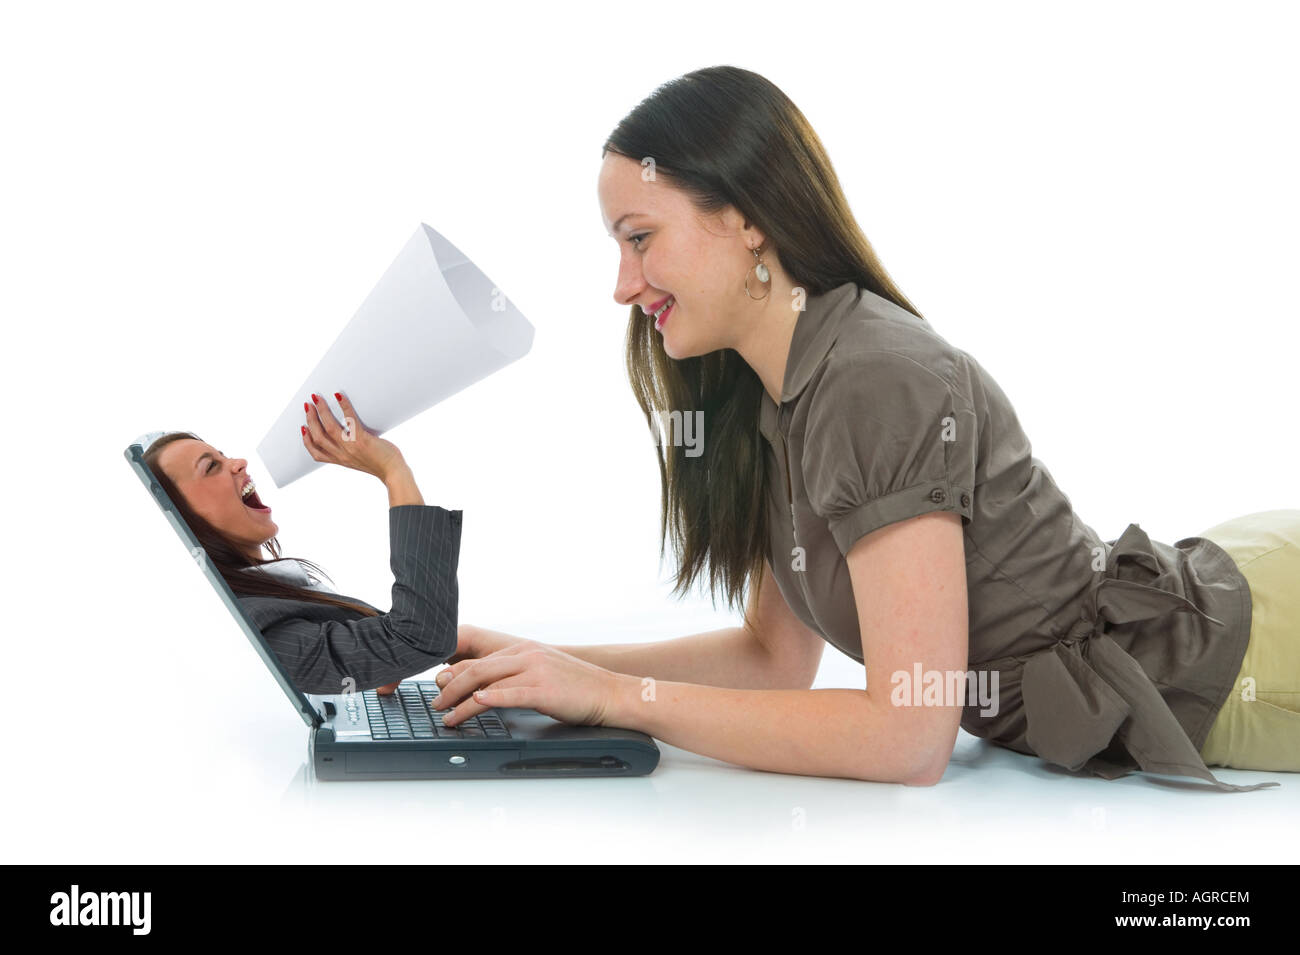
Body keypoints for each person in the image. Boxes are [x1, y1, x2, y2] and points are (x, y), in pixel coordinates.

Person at [430, 65, 1298, 791]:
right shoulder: (772, 390)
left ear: (746, 220)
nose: (622, 284)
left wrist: (618, 700)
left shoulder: (872, 377)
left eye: (640, 237)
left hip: (1251, 644)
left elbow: (907, 736)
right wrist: (541, 667)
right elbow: (774, 658)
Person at [143, 390, 462, 696]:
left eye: (223, 455)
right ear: (178, 521)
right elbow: (420, 637)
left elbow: (403, 641)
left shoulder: (269, 593)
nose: (239, 462)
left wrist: (462, 643)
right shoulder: (260, 625)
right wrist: (394, 470)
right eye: (211, 466)